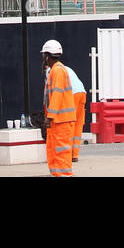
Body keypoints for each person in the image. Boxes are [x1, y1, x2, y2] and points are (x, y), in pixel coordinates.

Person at [41, 39, 76, 177]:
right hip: (58, 121)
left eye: (44, 55)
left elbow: (57, 95)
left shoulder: (58, 71)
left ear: (47, 56)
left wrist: (50, 117)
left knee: (61, 155)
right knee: (54, 153)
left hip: (61, 121)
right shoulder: (55, 70)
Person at [62, 61, 87, 163]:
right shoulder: (66, 68)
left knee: (70, 122)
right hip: (82, 92)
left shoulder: (51, 70)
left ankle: (68, 154)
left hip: (72, 94)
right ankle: (75, 154)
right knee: (78, 123)